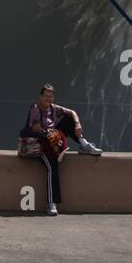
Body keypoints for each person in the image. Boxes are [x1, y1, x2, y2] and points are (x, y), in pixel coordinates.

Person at [17, 83, 102, 216]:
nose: (48, 99)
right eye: (46, 96)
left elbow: (72, 112)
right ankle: (51, 203)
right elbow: (36, 128)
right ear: (40, 96)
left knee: (69, 119)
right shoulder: (35, 108)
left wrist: (77, 124)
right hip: (38, 144)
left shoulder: (54, 108)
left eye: (51, 96)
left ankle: (84, 144)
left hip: (51, 141)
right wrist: (52, 134)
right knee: (52, 166)